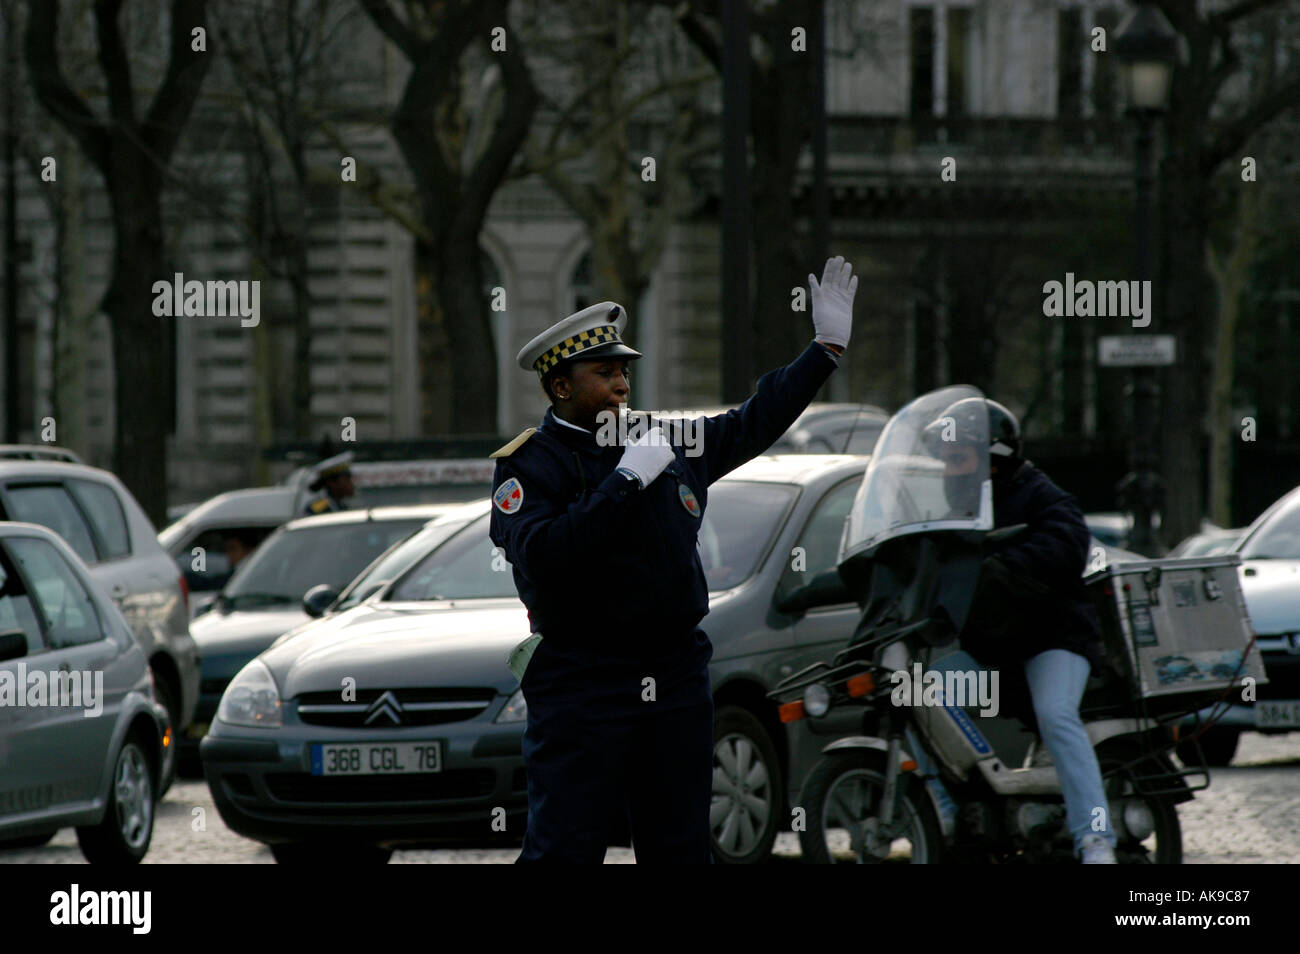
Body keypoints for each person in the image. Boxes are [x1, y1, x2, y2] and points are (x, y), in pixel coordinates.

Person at [489, 256, 858, 863]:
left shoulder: (661, 440)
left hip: (674, 670)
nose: (621, 384)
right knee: (566, 846)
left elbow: (752, 422)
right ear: (561, 386)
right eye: (603, 373)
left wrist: (824, 349)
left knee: (681, 845)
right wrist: (624, 484)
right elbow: (543, 553)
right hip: (583, 677)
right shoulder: (531, 464)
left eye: (624, 372)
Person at [925, 397, 1118, 864]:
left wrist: (1004, 566)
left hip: (1054, 641)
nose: (950, 469)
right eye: (946, 460)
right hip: (997, 651)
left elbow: (1066, 545)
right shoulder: (960, 507)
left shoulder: (1043, 496)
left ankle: (1096, 839)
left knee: (1055, 713)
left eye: (960, 458)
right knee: (919, 694)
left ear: (996, 458)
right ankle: (945, 812)